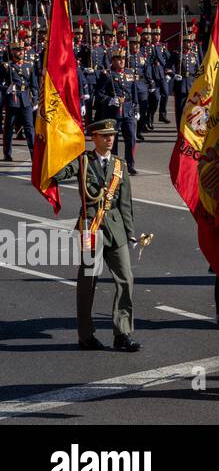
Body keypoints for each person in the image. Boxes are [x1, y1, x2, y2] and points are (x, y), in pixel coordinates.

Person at [52, 120, 141, 352]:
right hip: (91, 228)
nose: (109, 139)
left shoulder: (119, 165)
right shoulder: (83, 161)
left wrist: (130, 234)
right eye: (104, 135)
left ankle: (122, 333)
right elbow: (58, 174)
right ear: (94, 138)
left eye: (111, 135)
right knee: (87, 283)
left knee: (126, 279)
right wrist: (51, 156)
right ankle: (85, 334)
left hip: (116, 230)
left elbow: (125, 204)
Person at [94, 47, 143, 175]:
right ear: (113, 60)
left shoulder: (129, 73)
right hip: (113, 112)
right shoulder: (107, 74)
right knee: (112, 140)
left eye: (123, 59)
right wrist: (109, 100)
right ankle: (114, 164)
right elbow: (98, 93)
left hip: (128, 110)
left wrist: (136, 107)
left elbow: (134, 92)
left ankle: (130, 165)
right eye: (118, 59)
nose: (121, 61)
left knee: (131, 138)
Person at [1, 38, 37, 162]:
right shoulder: (7, 67)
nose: (20, 52)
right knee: (9, 128)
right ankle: (7, 153)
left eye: (21, 50)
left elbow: (34, 85)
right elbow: (1, 83)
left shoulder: (29, 65)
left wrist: (35, 99)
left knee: (29, 128)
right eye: (17, 50)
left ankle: (34, 154)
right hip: (13, 99)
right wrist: (7, 88)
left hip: (26, 99)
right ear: (12, 51)